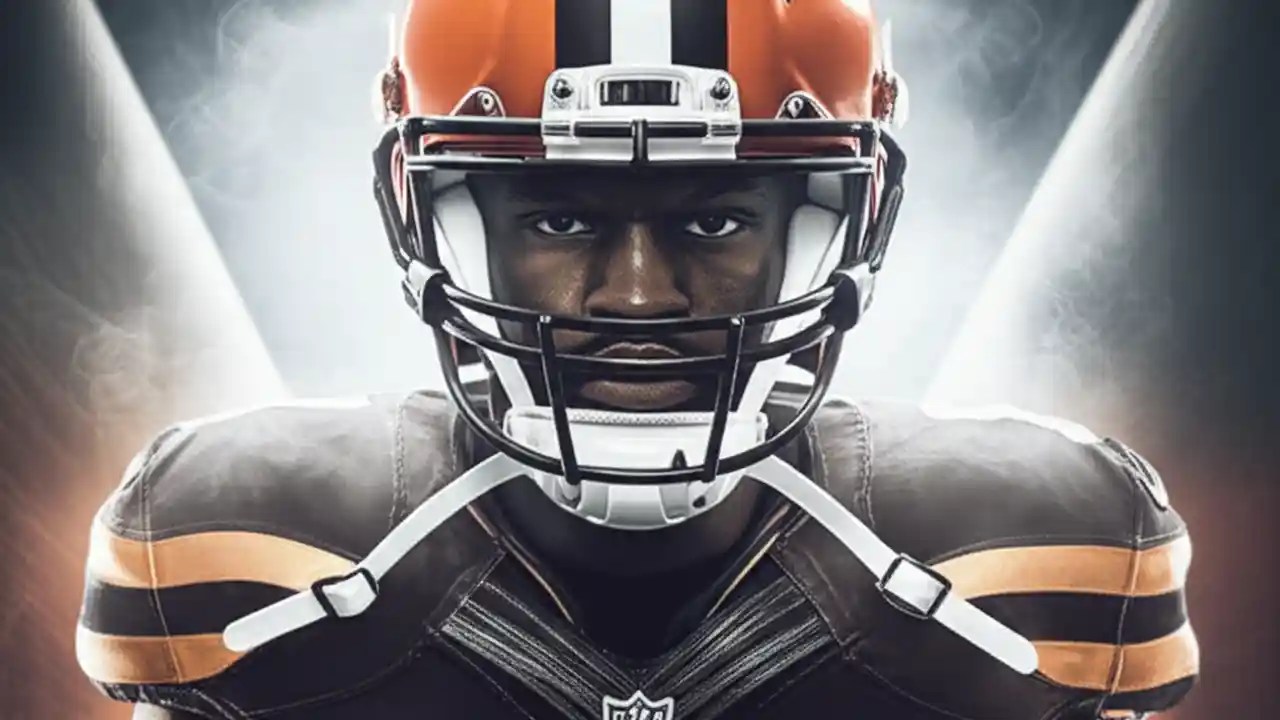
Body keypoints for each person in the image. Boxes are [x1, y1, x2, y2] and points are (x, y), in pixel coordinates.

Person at [75, 2, 1198, 718]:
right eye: (560, 219)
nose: (635, 296)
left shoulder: (1049, 553)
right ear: (432, 219)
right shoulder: (236, 545)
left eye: (713, 221)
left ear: (836, 223)